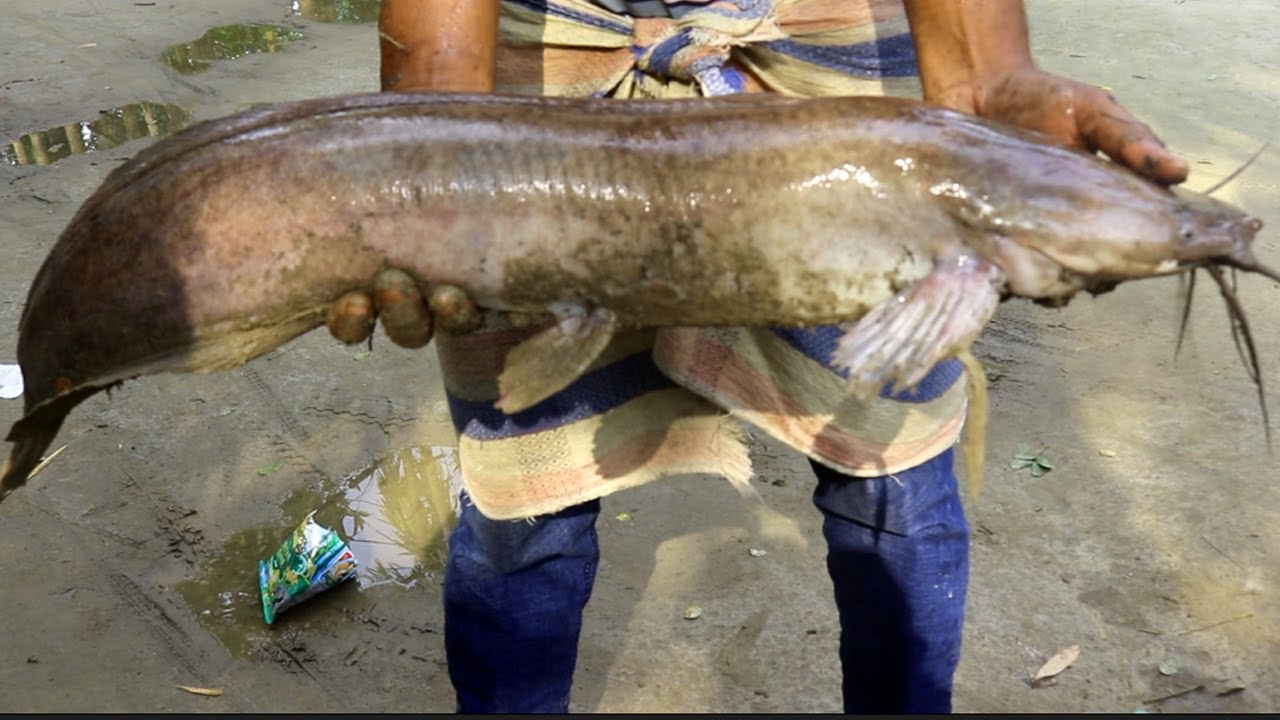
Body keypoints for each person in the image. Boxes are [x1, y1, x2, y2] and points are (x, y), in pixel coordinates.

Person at [342, 0, 1189, 713]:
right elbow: (435, 122)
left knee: (893, 469)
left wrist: (983, 73)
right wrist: (435, 121)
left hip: (835, 55)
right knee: (524, 488)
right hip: (535, 57)